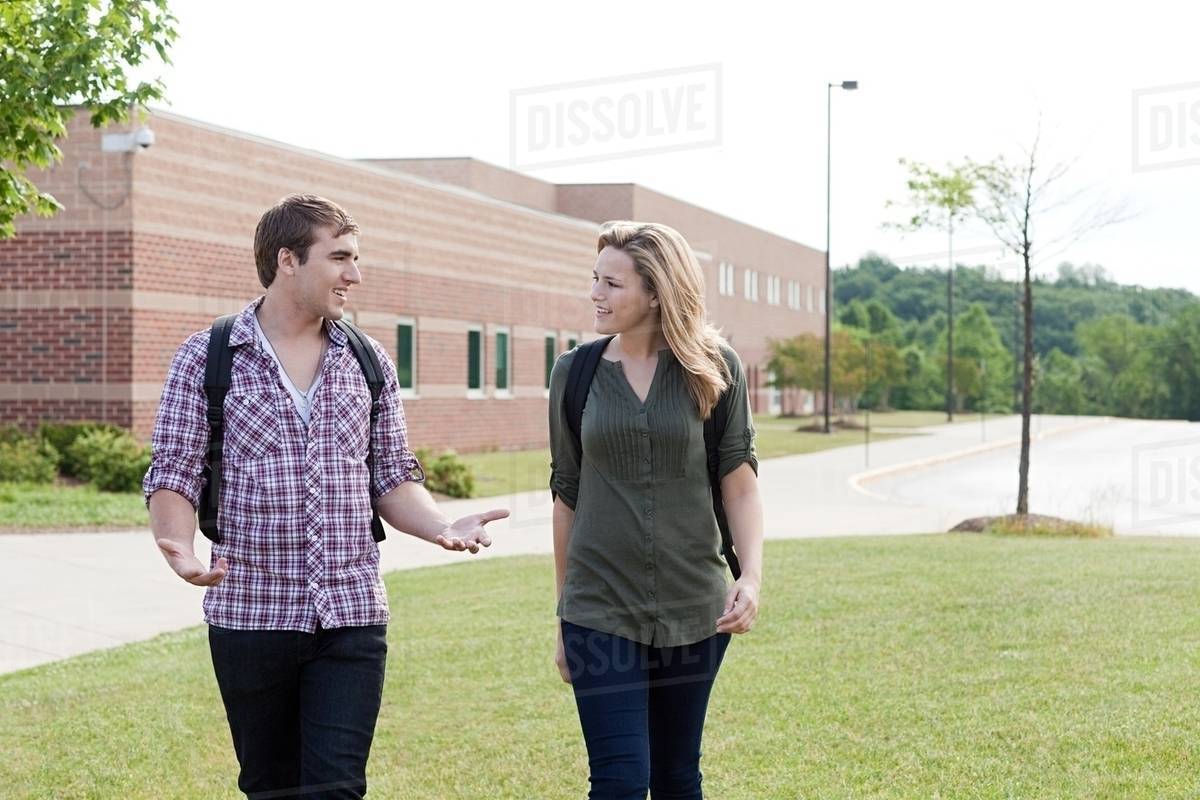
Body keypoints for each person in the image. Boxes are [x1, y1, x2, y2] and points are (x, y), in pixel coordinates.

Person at [143, 194, 508, 799]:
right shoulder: (208, 358)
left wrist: (440, 525)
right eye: (340, 258)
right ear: (288, 260)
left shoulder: (367, 361)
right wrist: (178, 545)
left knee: (336, 789)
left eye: (356, 259)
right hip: (251, 615)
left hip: (350, 617)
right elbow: (176, 471)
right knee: (270, 787)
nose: (355, 275)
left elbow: (392, 476)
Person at [548, 220, 764, 799]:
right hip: (598, 608)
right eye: (596, 279)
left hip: (695, 606)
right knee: (618, 782)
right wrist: (564, 613)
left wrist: (752, 576)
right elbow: (566, 491)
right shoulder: (575, 373)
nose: (596, 293)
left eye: (613, 284)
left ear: (656, 291)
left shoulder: (714, 367)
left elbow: (738, 481)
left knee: (676, 777)